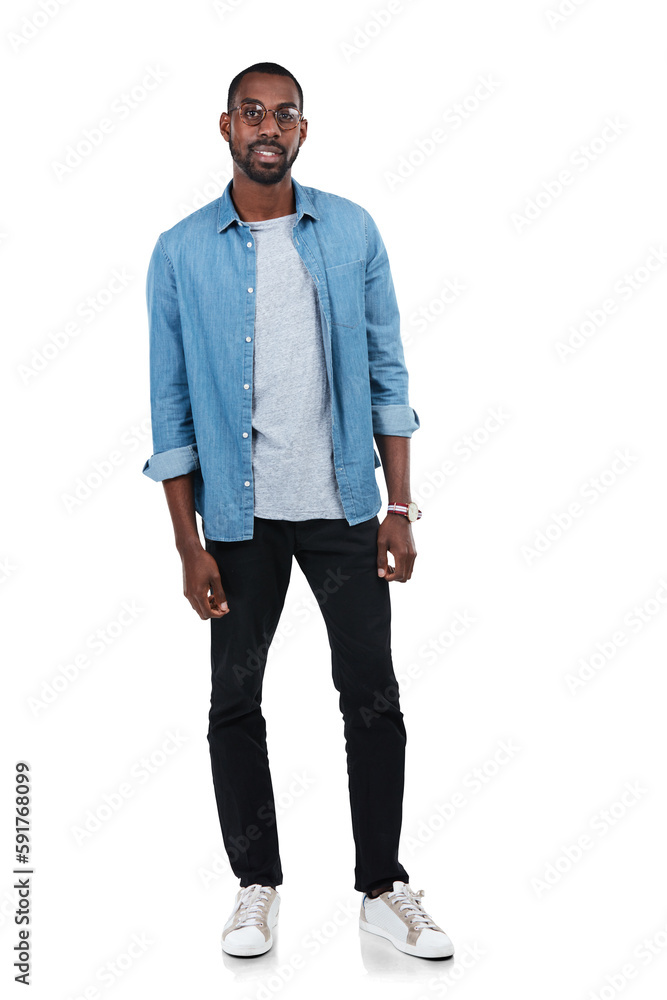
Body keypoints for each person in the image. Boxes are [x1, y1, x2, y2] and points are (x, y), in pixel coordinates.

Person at [142, 60, 454, 962]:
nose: (267, 126)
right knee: (234, 700)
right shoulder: (180, 251)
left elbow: (388, 373)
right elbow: (170, 407)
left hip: (344, 510)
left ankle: (381, 886)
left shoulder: (350, 231)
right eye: (252, 112)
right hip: (237, 520)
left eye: (284, 114)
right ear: (226, 128)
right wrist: (185, 541)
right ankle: (256, 886)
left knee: (373, 698)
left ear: (303, 132)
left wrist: (398, 503)